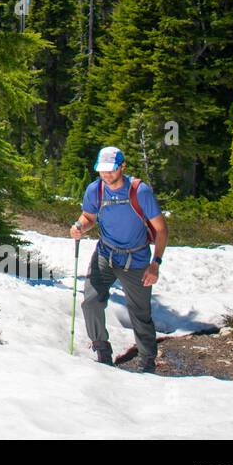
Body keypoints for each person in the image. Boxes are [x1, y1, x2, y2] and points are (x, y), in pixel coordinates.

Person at [69, 146, 169, 373]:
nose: (106, 175)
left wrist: (156, 264)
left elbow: (161, 230)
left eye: (111, 170)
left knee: (140, 313)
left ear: (122, 167)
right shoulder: (95, 190)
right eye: (102, 170)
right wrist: (79, 227)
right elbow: (89, 217)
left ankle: (147, 362)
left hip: (137, 259)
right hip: (105, 254)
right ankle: (102, 352)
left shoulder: (140, 192)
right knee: (91, 301)